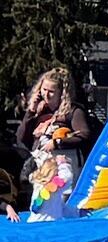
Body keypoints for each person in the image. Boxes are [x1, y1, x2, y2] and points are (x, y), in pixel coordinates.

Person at [18, 66, 94, 216]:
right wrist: (30, 112)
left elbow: (84, 135)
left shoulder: (73, 112)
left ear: (62, 93)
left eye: (51, 91)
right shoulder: (40, 112)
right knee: (41, 205)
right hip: (43, 169)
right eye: (44, 89)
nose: (46, 94)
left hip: (65, 168)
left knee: (62, 203)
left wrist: (57, 142)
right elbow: (22, 139)